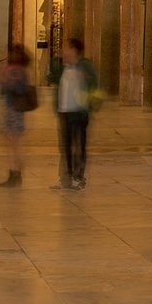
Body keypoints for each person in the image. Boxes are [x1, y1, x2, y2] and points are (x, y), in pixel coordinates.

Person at [49, 36, 98, 190]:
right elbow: (50, 79)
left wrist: (90, 105)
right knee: (65, 147)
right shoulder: (62, 67)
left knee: (78, 147)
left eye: (66, 48)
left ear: (74, 50)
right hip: (64, 113)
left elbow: (94, 85)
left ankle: (78, 178)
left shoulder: (85, 67)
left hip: (79, 113)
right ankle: (65, 179)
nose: (63, 51)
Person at [0, 44, 36, 188]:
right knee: (11, 144)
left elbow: (19, 89)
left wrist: (7, 81)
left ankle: (15, 173)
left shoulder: (18, 71)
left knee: (13, 145)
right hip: (10, 109)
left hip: (14, 110)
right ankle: (14, 172)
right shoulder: (16, 70)